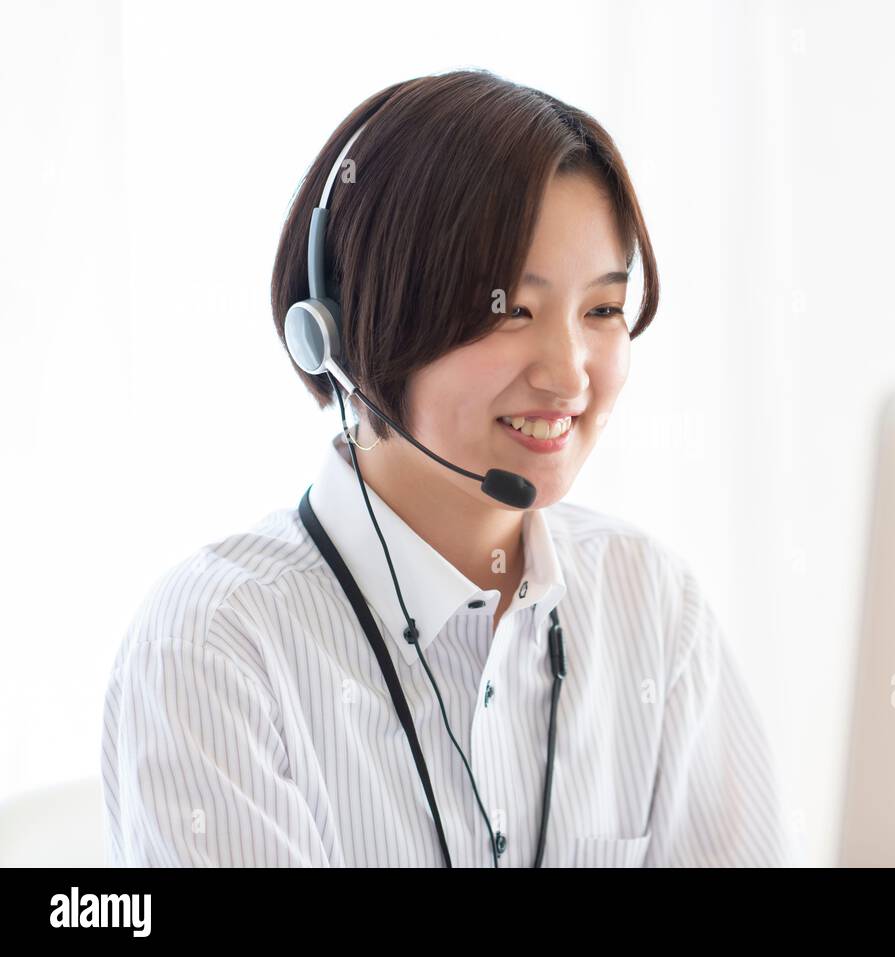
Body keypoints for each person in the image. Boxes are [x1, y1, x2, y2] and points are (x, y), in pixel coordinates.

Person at [100, 69, 791, 867]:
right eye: (513, 311)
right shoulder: (217, 649)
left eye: (601, 309)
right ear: (349, 325)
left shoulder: (654, 609)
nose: (569, 376)